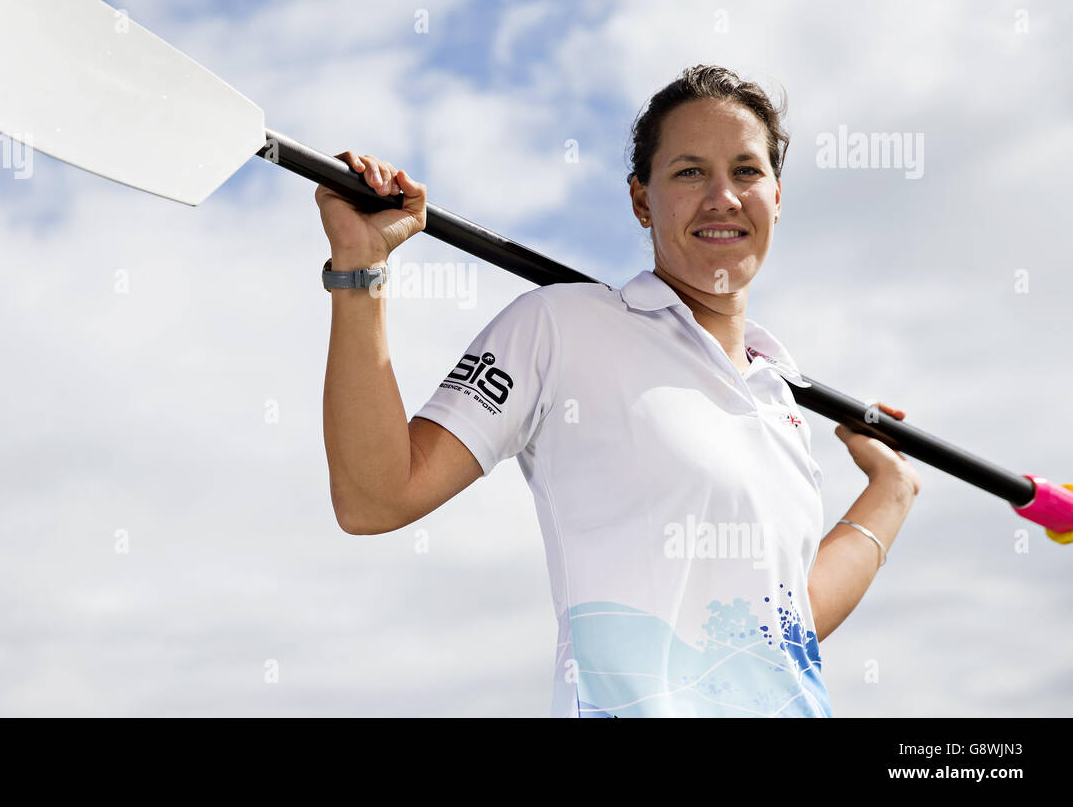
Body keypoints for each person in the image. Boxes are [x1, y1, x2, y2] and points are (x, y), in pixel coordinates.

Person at [315, 64, 921, 717]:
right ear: (640, 199)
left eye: (746, 171)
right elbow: (374, 498)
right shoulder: (560, 325)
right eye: (690, 171)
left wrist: (890, 494)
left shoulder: (781, 394)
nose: (723, 196)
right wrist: (361, 267)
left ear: (776, 196)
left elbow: (779, 630)